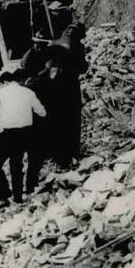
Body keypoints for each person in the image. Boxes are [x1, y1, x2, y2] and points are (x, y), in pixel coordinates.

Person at [0, 67, 46, 206]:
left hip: (10, 134)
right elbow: (42, 112)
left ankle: (5, 195)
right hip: (27, 133)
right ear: (21, 81)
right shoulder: (28, 92)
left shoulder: (3, 92)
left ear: (6, 81)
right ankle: (20, 196)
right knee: (16, 165)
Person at [51, 24, 88, 168]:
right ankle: (72, 152)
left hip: (56, 88)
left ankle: (59, 157)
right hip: (70, 88)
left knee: (59, 121)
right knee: (72, 120)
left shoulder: (57, 43)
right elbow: (82, 67)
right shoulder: (78, 47)